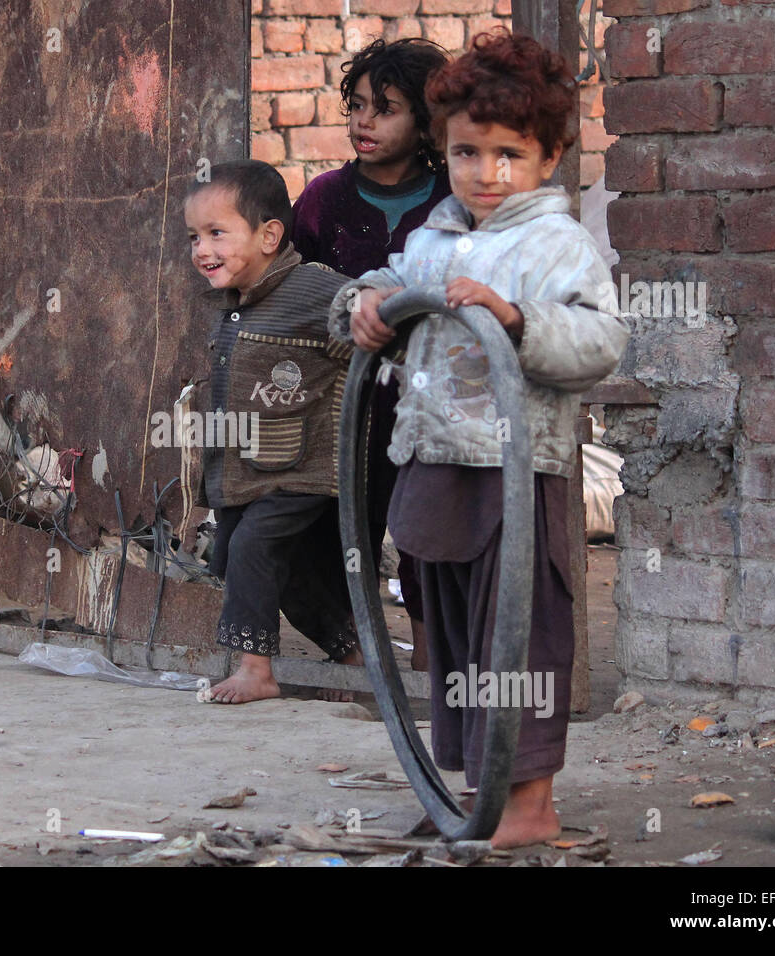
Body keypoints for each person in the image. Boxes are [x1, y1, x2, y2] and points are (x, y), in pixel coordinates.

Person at [329, 29, 630, 847]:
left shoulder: (555, 243)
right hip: (433, 462)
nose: (486, 174)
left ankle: (529, 802)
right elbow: (385, 290)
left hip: (514, 470)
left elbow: (602, 340)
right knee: (455, 631)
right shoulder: (433, 234)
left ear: (550, 155)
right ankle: (477, 788)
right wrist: (362, 307)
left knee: (521, 631)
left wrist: (516, 321)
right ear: (443, 149)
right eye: (466, 152)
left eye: (508, 154)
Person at [291, 37, 453, 672]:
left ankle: (430, 663)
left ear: (426, 123)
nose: (364, 121)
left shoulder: (452, 202)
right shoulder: (324, 199)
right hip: (338, 397)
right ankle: (354, 656)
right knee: (334, 525)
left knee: (422, 527)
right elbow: (296, 285)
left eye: (385, 109)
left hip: (426, 399)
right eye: (356, 105)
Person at [183, 160, 363, 704]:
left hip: (302, 467)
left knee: (253, 550)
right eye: (194, 236)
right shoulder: (234, 305)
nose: (201, 249)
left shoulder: (314, 290)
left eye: (217, 233)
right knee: (286, 573)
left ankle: (256, 669)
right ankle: (353, 657)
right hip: (245, 472)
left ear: (268, 235)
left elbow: (368, 321)